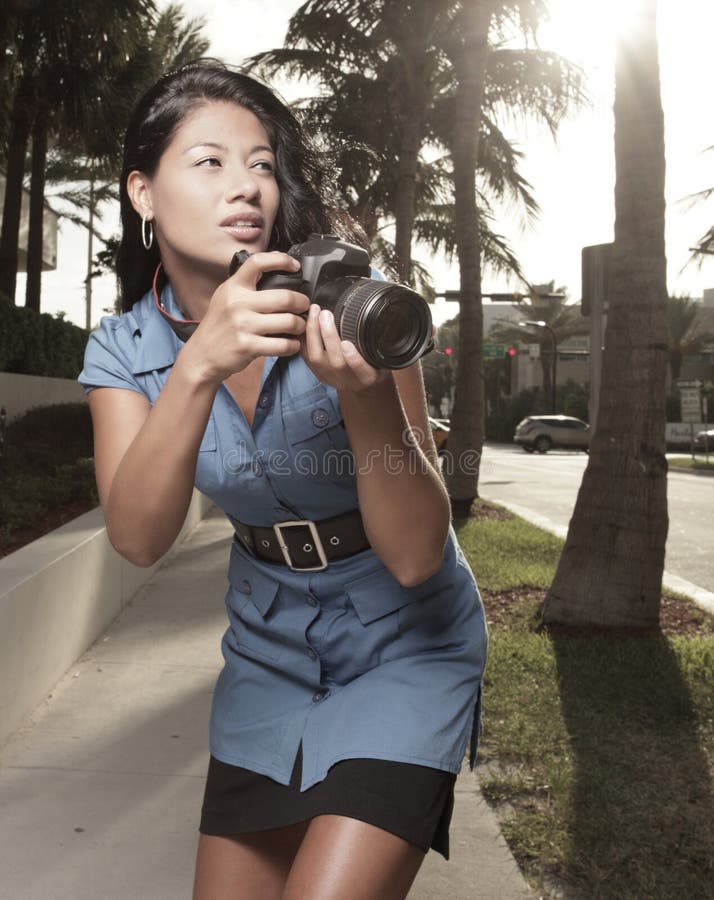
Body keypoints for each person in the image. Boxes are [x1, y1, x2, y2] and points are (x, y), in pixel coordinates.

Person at [78, 60, 488, 900]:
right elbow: (139, 536)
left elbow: (416, 555)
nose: (247, 186)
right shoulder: (123, 351)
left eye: (262, 163)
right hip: (267, 655)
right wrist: (196, 368)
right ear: (143, 193)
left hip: (405, 644)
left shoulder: (352, 307)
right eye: (210, 161)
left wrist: (366, 399)